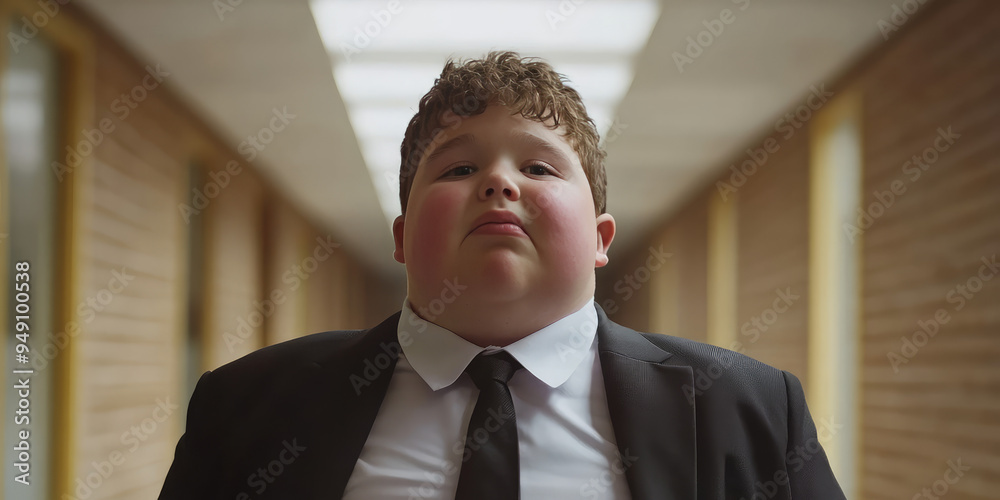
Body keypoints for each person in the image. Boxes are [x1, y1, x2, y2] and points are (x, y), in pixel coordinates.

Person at [159, 50, 846, 500]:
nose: (498, 183)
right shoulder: (246, 409)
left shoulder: (747, 410)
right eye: (459, 168)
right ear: (401, 239)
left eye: (539, 167)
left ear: (600, 238)